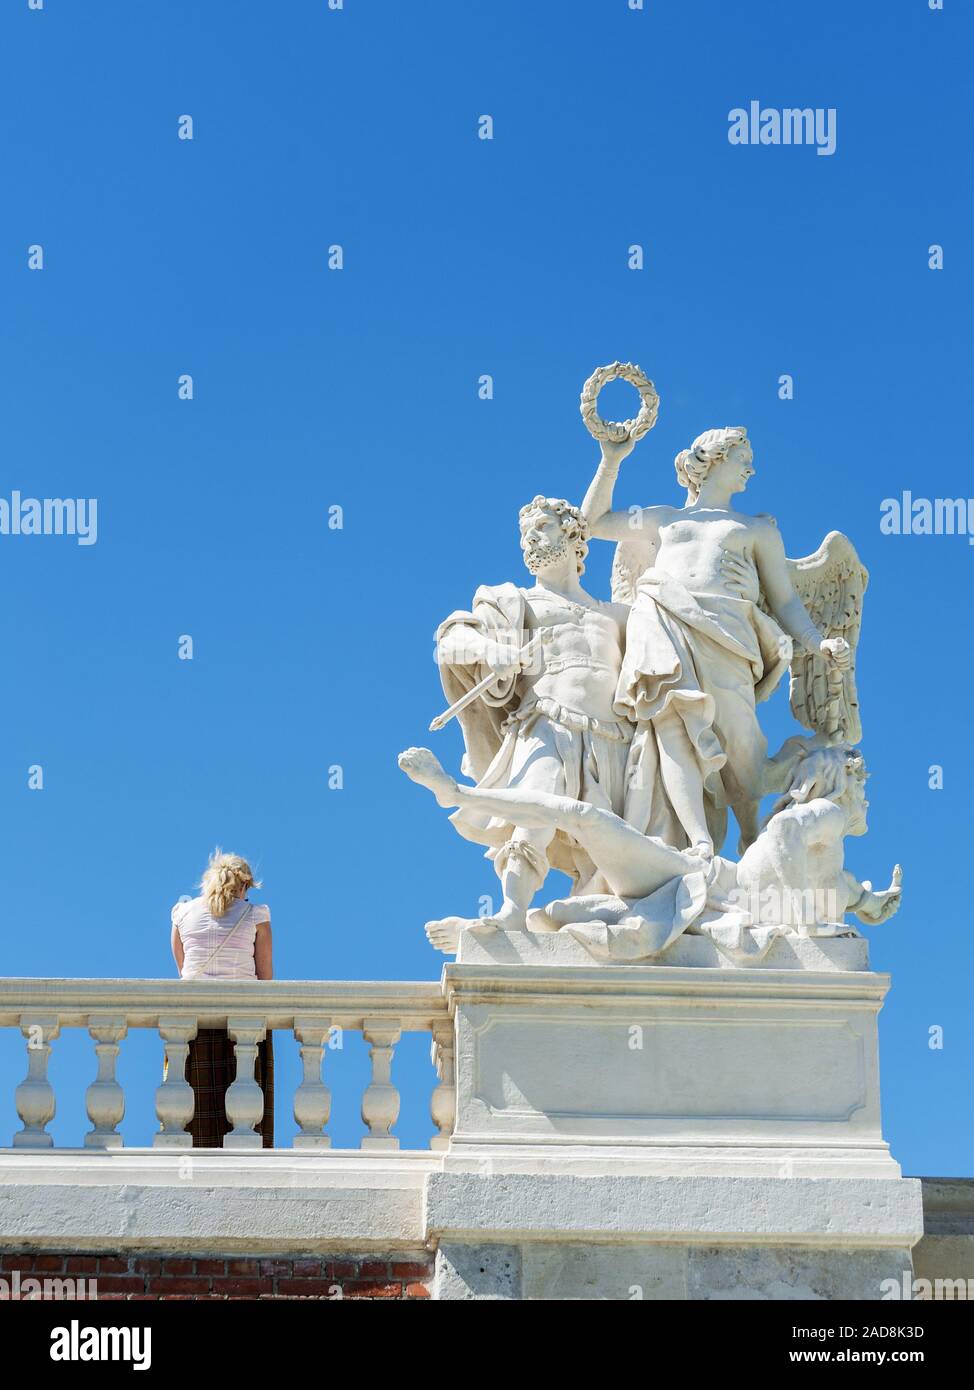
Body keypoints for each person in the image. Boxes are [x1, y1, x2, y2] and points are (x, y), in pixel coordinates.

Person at [581, 426, 851, 855]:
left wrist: (819, 643)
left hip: (729, 636)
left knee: (742, 752)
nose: (752, 467)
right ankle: (699, 842)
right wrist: (611, 460)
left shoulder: (755, 530)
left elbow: (785, 601)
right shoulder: (667, 519)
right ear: (714, 458)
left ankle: (750, 834)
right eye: (743, 457)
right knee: (672, 724)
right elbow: (592, 524)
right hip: (663, 620)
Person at [431, 496, 632, 938]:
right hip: (547, 723)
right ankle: (512, 910)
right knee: (535, 813)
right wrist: (491, 650)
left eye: (541, 528)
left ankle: (604, 911)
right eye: (525, 534)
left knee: (611, 835)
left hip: (616, 738)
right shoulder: (514, 601)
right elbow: (449, 640)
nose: (530, 540)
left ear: (574, 536)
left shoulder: (617, 615)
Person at [170, 850, 274, 1148]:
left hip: (193, 1024)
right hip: (244, 1024)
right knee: (247, 1110)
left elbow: (183, 970)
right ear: (244, 885)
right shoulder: (256, 915)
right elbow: (265, 978)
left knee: (194, 1107)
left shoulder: (182, 914)